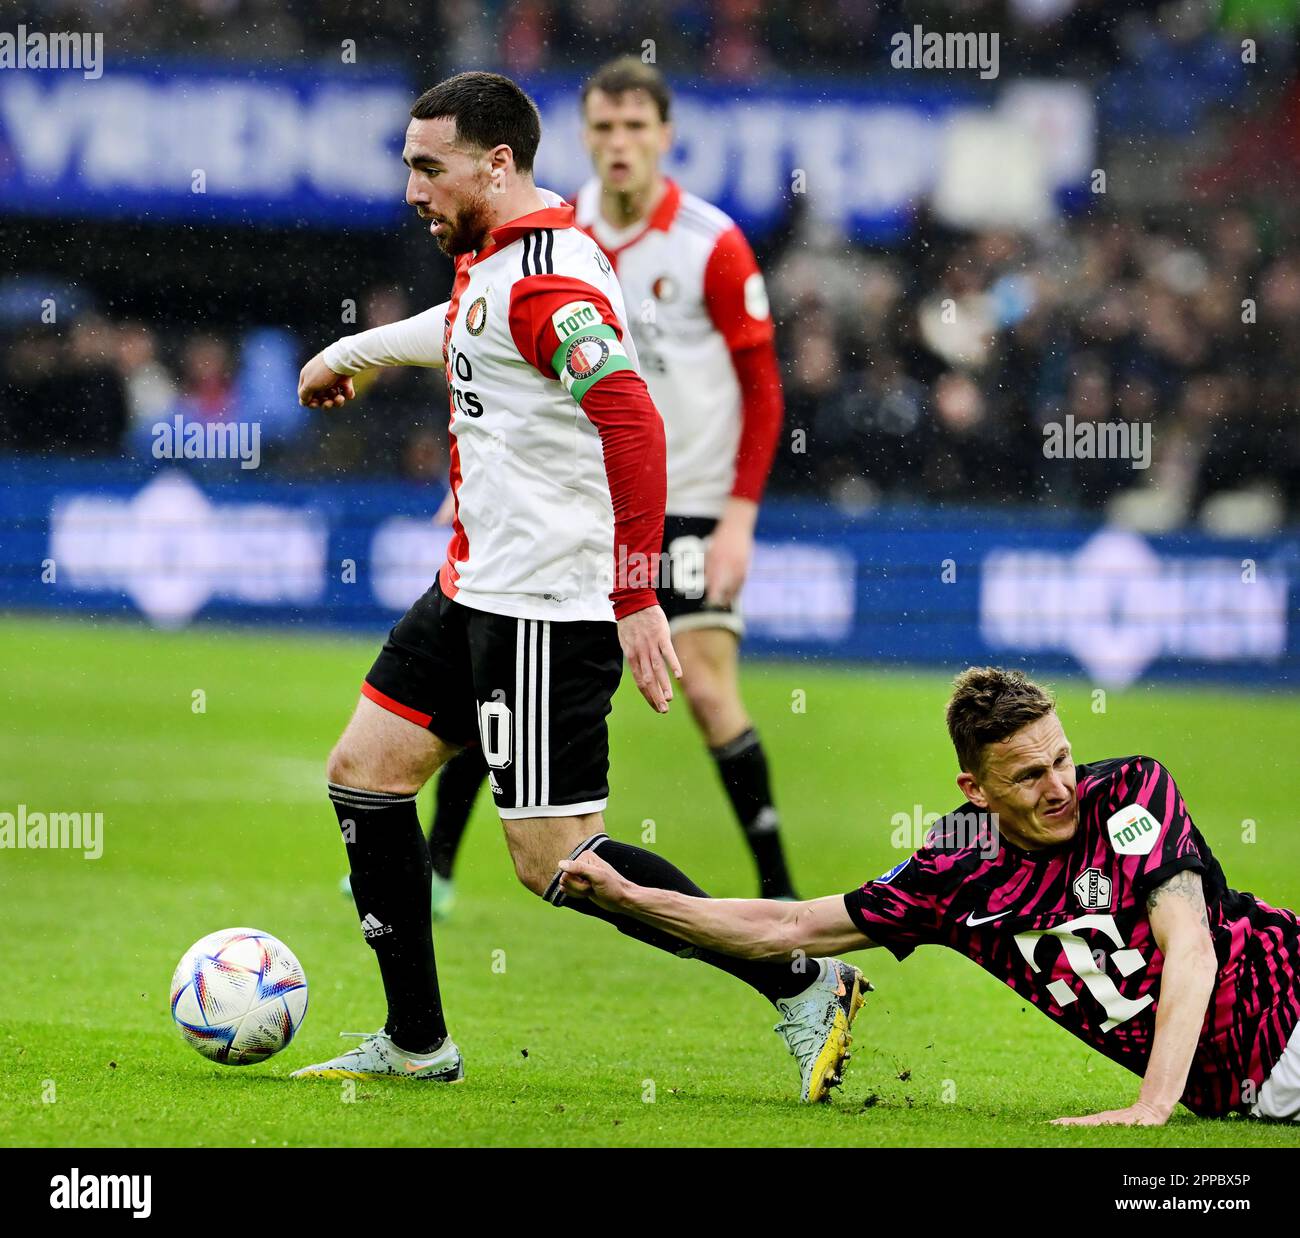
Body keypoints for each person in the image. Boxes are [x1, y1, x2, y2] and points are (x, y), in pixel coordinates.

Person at [292, 72, 865, 1101]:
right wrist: (354, 350)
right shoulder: (504, 258)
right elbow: (467, 327)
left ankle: (801, 977)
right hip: (473, 585)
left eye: (430, 167)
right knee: (365, 772)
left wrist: (636, 590)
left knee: (558, 861)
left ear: (497, 164)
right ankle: (416, 1041)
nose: (413, 188)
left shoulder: (549, 279)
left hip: (545, 609)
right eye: (409, 166)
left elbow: (631, 418)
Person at [560, 666, 1300, 1123]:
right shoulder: (956, 866)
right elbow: (786, 925)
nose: (1060, 788)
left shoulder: (1132, 790)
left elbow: (1193, 952)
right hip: (1251, 1091)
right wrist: (627, 896)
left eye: (1063, 758)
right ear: (974, 791)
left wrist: (1151, 1106)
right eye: (1028, 776)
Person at [424, 56, 798, 905]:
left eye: (636, 127)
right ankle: (439, 863)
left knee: (703, 687)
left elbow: (763, 390)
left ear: (664, 137)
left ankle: (778, 892)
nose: (619, 143)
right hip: (575, 501)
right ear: (583, 136)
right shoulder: (553, 230)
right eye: (603, 127)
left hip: (691, 502)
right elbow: (480, 343)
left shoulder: (713, 243)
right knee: (503, 657)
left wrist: (739, 516)